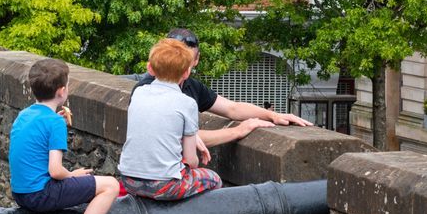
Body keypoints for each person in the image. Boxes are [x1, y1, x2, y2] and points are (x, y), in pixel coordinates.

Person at [9, 58, 117, 214]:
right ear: (61, 91)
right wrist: (72, 175)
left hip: (21, 193)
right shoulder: (55, 122)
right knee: (111, 186)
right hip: (40, 194)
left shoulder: (25, 114)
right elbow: (56, 170)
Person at [132, 28, 311, 149]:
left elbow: (232, 108)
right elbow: (179, 138)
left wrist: (273, 115)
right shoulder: (146, 89)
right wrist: (238, 131)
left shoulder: (191, 86)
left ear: (195, 61)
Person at [118, 39, 222, 202]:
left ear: (149, 68)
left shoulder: (139, 92)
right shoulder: (187, 103)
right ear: (186, 73)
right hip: (165, 185)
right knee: (213, 179)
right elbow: (190, 160)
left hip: (128, 180)